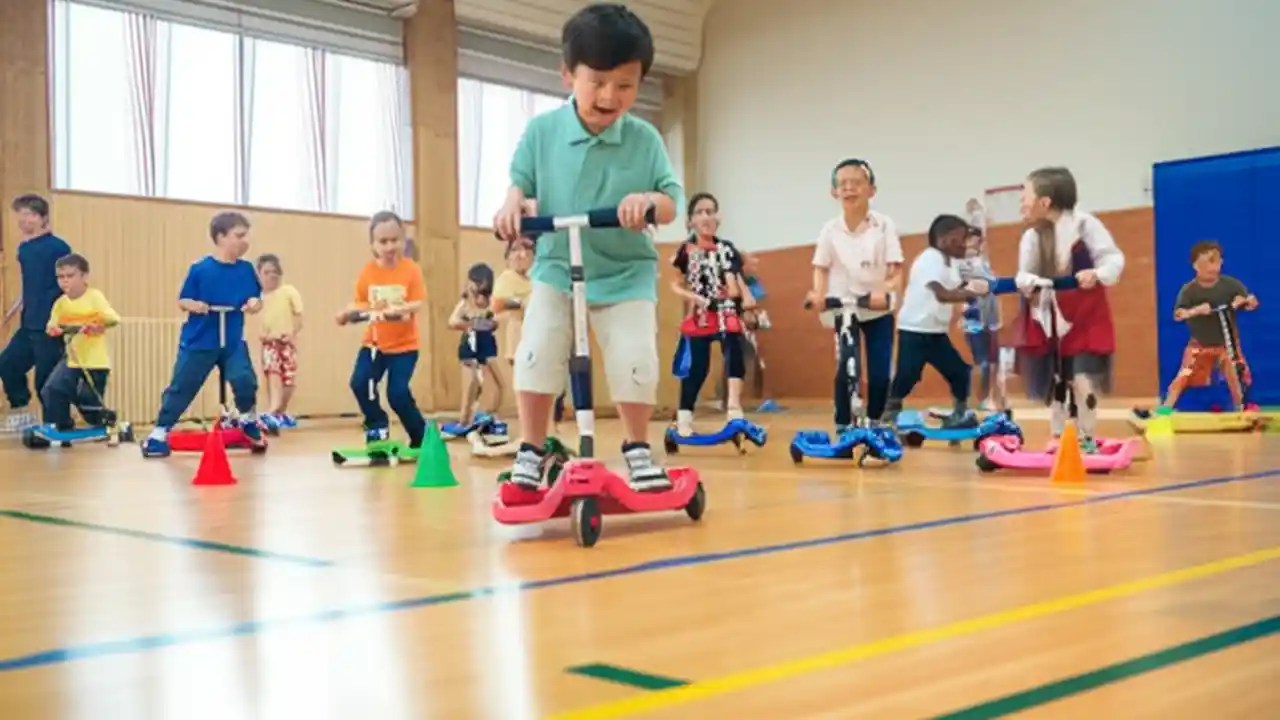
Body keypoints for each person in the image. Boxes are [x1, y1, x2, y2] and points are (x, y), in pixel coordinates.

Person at [493, 3, 682, 492]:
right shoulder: (542, 132)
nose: (609, 96)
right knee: (536, 350)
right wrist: (513, 205)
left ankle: (637, 447)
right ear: (568, 75)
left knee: (635, 358)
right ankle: (532, 448)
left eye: (625, 85)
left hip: (625, 271)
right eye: (596, 81)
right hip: (558, 266)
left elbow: (671, 202)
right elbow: (519, 185)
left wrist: (647, 201)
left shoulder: (644, 139)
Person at [1013, 166, 1125, 453]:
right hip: (1050, 318)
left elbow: (1113, 259)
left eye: (1025, 196)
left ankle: (1086, 436)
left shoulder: (1086, 225)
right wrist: (1030, 284)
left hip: (1086, 316)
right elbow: (1024, 275)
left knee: (1083, 379)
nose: (1021, 203)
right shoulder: (1032, 237)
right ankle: (1058, 434)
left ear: (1044, 201)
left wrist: (1096, 274)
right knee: (1057, 380)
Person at [141, 211, 266, 457]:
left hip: (232, 339)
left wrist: (254, 304)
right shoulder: (200, 269)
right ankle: (159, 432)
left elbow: (256, 299)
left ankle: (248, 419)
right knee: (183, 385)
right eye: (239, 235)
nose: (245, 241)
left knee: (244, 379)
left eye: (246, 236)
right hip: (201, 339)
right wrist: (195, 305)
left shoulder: (246, 270)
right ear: (221, 237)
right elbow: (183, 300)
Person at [806, 158, 903, 430]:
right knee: (846, 367)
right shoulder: (829, 230)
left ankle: (876, 420)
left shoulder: (884, 226)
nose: (849, 188)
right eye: (843, 184)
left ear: (871, 190)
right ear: (834, 192)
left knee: (880, 371)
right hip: (845, 306)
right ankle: (843, 423)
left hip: (876, 307)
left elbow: (895, 269)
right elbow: (821, 267)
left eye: (857, 183)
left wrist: (884, 290)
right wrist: (819, 294)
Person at [882, 215, 990, 424]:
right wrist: (973, 294)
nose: (964, 244)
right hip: (914, 331)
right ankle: (889, 411)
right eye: (960, 239)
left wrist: (975, 284)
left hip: (936, 333)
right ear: (943, 239)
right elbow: (942, 294)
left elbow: (955, 287)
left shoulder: (950, 263)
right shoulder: (930, 259)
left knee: (959, 371)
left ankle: (960, 412)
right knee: (908, 375)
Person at [335, 210, 428, 448]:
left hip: (405, 347)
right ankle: (377, 425)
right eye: (383, 242)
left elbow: (417, 303)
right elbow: (360, 304)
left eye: (394, 240)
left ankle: (421, 436)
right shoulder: (368, 272)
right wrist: (347, 314)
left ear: (403, 240)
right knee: (360, 383)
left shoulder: (411, 270)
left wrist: (398, 309)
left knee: (397, 393)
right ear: (373, 245)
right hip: (374, 345)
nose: (389, 247)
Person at [669, 191, 752, 435]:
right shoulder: (684, 252)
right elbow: (675, 283)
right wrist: (692, 297)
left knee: (734, 349)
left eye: (710, 211)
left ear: (718, 217)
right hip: (701, 314)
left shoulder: (727, 249)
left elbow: (735, 277)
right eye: (700, 212)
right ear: (690, 221)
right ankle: (684, 417)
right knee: (697, 366)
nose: (706, 217)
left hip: (726, 309)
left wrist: (745, 298)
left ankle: (734, 408)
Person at [1159, 240, 1259, 411]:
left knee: (1235, 372)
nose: (1211, 267)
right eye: (1206, 263)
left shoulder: (1231, 285)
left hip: (1226, 344)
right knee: (1185, 374)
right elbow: (1178, 315)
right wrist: (1195, 311)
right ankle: (1166, 408)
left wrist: (1246, 301)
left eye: (1215, 261)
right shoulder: (1189, 290)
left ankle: (1241, 406)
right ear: (1195, 266)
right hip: (1199, 344)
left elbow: (1250, 302)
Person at [1, 194, 72, 430]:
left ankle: (58, 425)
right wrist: (14, 308)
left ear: (43, 218)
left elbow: (68, 284)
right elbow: (29, 284)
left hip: (50, 325)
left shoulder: (58, 247)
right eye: (21, 214)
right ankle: (21, 409)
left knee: (46, 380)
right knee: (7, 364)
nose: (24, 219)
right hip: (29, 323)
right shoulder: (24, 249)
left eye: (30, 214)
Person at [34, 253, 121, 441]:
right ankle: (61, 427)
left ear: (84, 276)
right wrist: (54, 330)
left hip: (94, 363)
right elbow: (51, 325)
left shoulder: (95, 297)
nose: (65, 281)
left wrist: (97, 324)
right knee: (52, 389)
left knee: (88, 404)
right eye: (60, 277)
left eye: (70, 276)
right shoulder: (60, 304)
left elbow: (113, 318)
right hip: (72, 361)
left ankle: (108, 423)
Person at [450, 263, 504, 424]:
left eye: (479, 282)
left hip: (486, 345)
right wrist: (470, 324)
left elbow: (496, 322)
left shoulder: (491, 302)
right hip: (471, 344)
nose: (475, 286)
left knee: (499, 383)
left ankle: (490, 413)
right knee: (472, 382)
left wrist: (487, 323)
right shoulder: (465, 302)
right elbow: (452, 321)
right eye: (473, 281)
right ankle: (464, 419)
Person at [958, 224, 1003, 411]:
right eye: (969, 240)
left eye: (976, 241)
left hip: (989, 317)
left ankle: (989, 396)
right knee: (982, 361)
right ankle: (975, 398)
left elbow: (992, 286)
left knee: (992, 361)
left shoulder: (982, 262)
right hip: (973, 318)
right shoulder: (962, 264)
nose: (973, 244)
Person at [256, 253, 303, 429]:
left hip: (287, 342)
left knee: (288, 379)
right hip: (270, 342)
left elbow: (298, 317)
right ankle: (273, 409)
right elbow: (257, 321)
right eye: (266, 272)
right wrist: (264, 335)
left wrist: (292, 333)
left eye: (275, 272)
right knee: (273, 372)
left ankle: (279, 411)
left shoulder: (288, 292)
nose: (271, 276)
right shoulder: (258, 298)